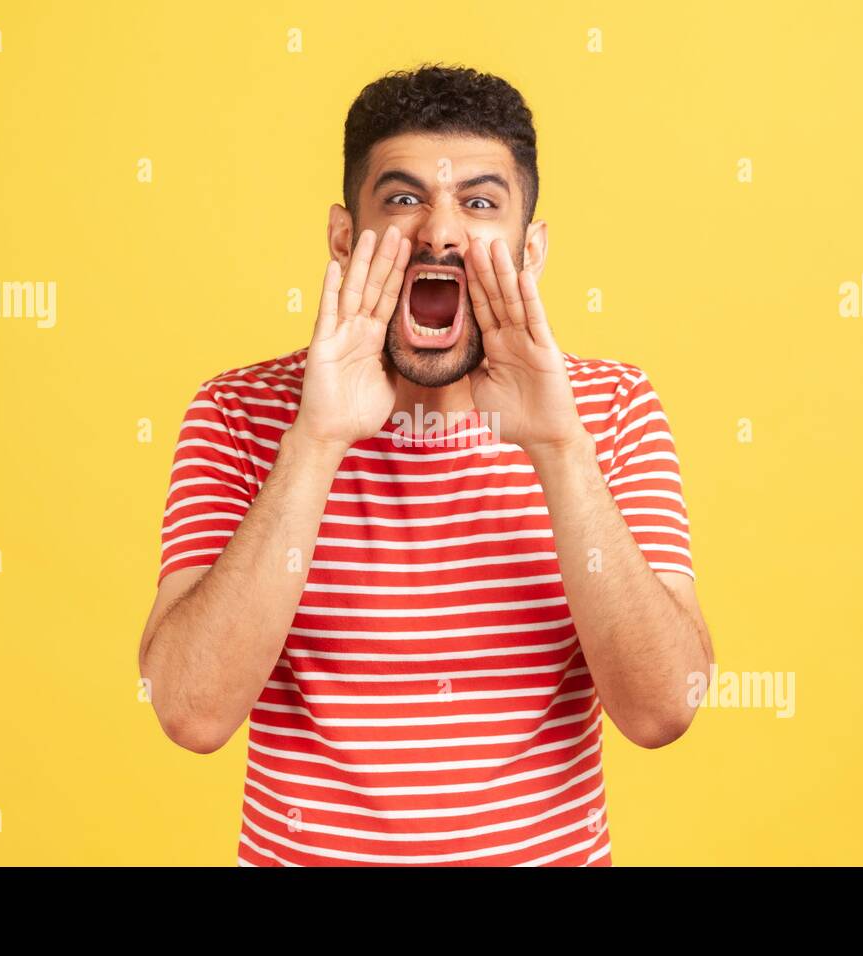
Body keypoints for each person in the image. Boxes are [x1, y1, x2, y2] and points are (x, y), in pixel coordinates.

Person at [138, 64, 714, 866]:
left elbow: (662, 712)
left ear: (530, 247)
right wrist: (316, 442)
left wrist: (558, 449)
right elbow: (189, 714)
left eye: (480, 203)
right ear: (345, 237)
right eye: (404, 199)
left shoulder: (610, 409)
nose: (440, 233)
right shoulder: (240, 414)